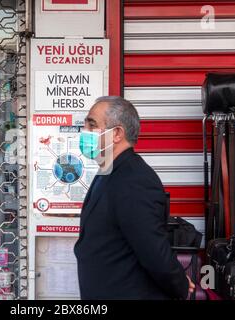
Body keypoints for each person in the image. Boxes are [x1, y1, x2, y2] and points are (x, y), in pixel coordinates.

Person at [74, 96, 195, 300]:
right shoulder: (109, 172)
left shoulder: (134, 180)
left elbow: (153, 250)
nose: (84, 131)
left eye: (91, 124)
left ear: (117, 134)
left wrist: (180, 285)